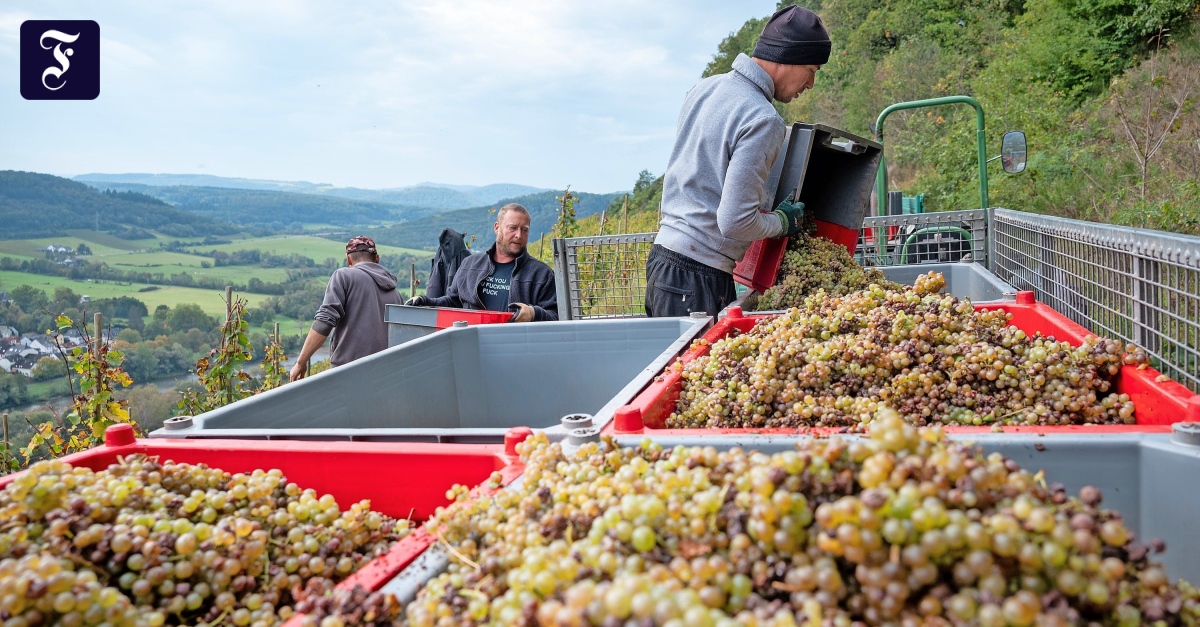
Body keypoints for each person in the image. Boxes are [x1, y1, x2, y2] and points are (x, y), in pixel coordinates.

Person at [646, 5, 831, 318]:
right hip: (698, 276)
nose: (810, 84)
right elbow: (734, 221)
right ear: (789, 58)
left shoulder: (704, 88)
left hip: (663, 262)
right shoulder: (762, 118)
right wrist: (782, 222)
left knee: (671, 366)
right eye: (811, 71)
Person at [406, 203, 557, 321]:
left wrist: (533, 313)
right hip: (472, 349)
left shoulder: (541, 274)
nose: (519, 235)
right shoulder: (470, 265)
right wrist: (425, 302)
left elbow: (556, 317)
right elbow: (454, 302)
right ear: (497, 228)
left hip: (515, 353)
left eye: (525, 230)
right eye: (513, 228)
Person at [289, 236, 402, 381]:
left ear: (349, 260)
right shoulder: (395, 293)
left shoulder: (344, 276)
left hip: (347, 373)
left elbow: (325, 321)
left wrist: (300, 362)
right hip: (385, 374)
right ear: (377, 259)